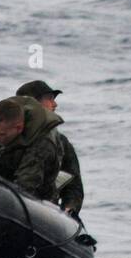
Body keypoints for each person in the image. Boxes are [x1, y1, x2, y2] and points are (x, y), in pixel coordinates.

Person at [16, 81, 83, 216]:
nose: (55, 104)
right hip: (8, 202)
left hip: (44, 212)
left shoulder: (61, 142)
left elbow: (73, 186)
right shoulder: (4, 133)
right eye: (50, 99)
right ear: (34, 105)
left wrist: (69, 209)